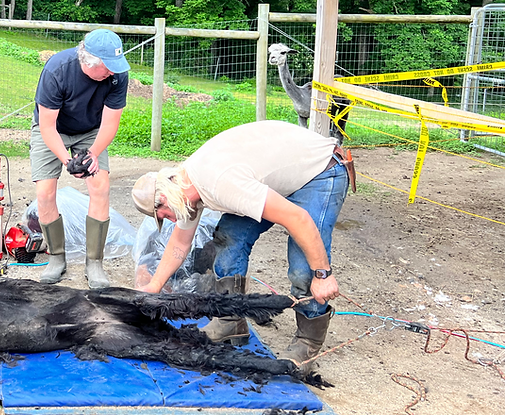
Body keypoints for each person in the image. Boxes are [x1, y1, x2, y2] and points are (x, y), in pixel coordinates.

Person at [130, 119, 355, 373]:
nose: (170, 221)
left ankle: (307, 342)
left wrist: (323, 274)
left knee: (303, 267)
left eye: (164, 216)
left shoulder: (219, 183)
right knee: (229, 236)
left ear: (164, 198)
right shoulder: (184, 189)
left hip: (320, 172)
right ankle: (230, 320)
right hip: (279, 177)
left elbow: (298, 219)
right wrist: (154, 286)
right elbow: (179, 243)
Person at [31, 28, 129, 288]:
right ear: (89, 61)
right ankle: (56, 257)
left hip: (91, 130)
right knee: (45, 193)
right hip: (54, 129)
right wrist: (68, 161)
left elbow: (110, 124)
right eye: (108, 67)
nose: (113, 72)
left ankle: (94, 262)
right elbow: (47, 126)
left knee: (100, 186)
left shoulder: (118, 75)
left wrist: (93, 153)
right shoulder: (57, 70)